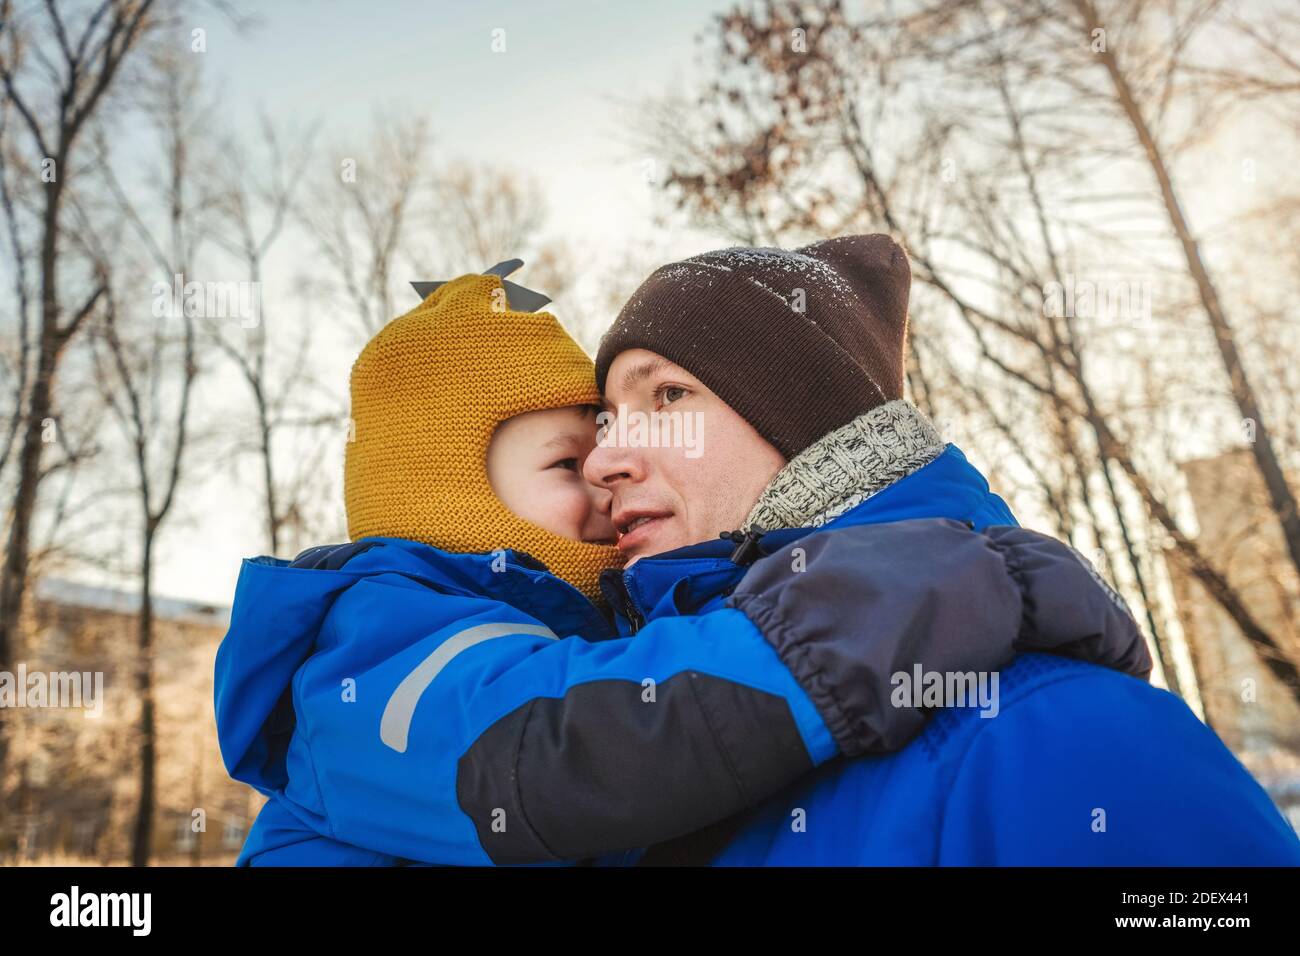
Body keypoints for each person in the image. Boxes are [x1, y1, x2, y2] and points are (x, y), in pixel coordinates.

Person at [215, 263, 1150, 866]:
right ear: (449, 495)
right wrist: (907, 601)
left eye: (660, 404)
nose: (609, 472)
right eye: (570, 459)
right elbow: (555, 752)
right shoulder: (371, 644)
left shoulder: (1045, 729)